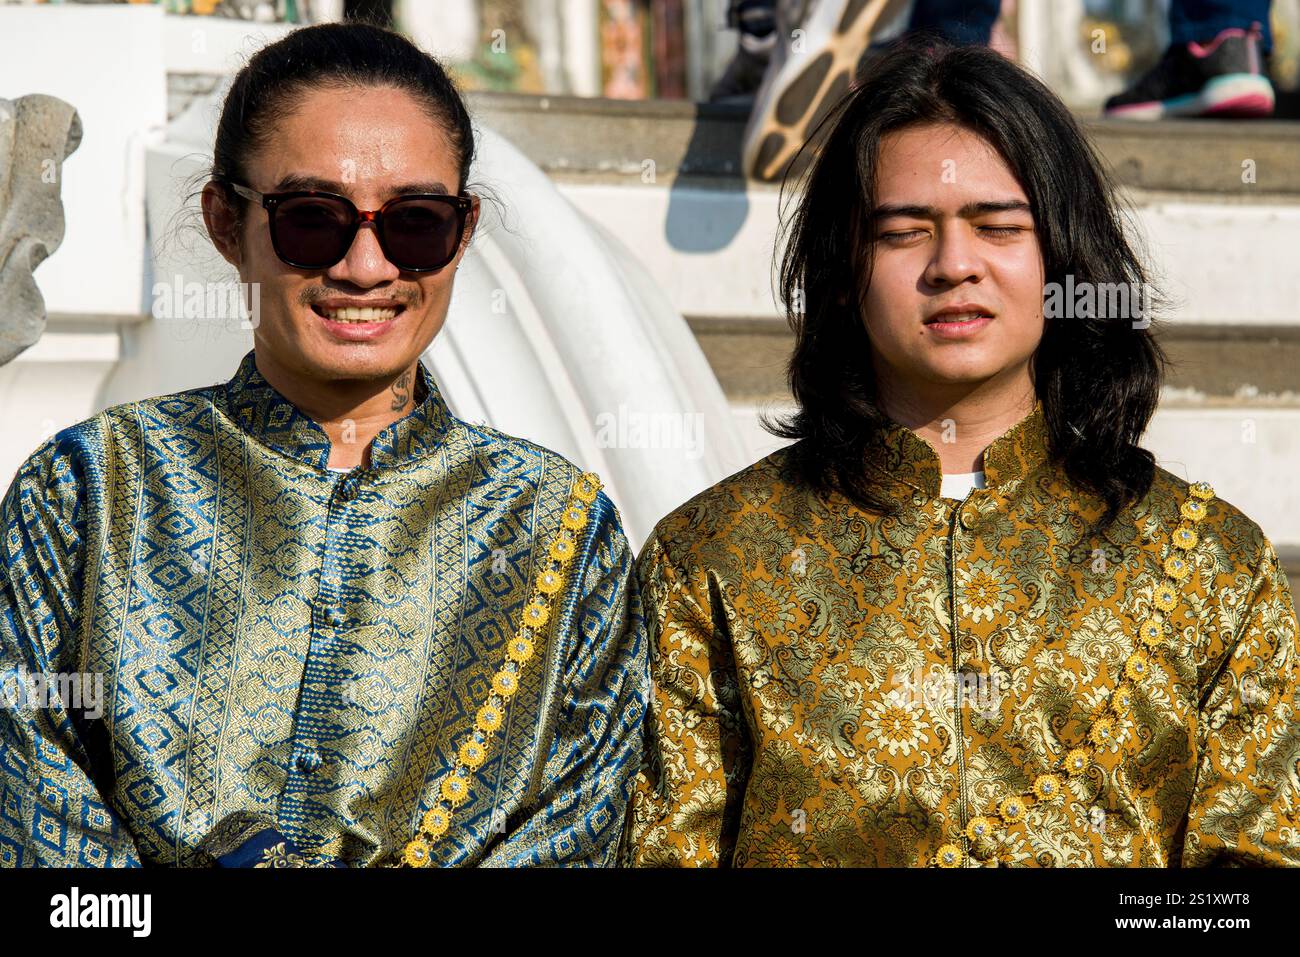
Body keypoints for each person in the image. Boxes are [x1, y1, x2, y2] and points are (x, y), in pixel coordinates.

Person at [621, 35, 1299, 867]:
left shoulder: (1209, 562)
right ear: (842, 273)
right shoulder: (710, 559)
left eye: (998, 226)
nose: (954, 266)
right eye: (905, 233)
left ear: (1061, 257)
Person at [0, 22, 646, 868]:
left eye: (416, 222)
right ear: (227, 223)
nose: (367, 267)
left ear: (463, 229)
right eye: (313, 219)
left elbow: (582, 824)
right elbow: (28, 794)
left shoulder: (555, 527)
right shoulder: (89, 491)